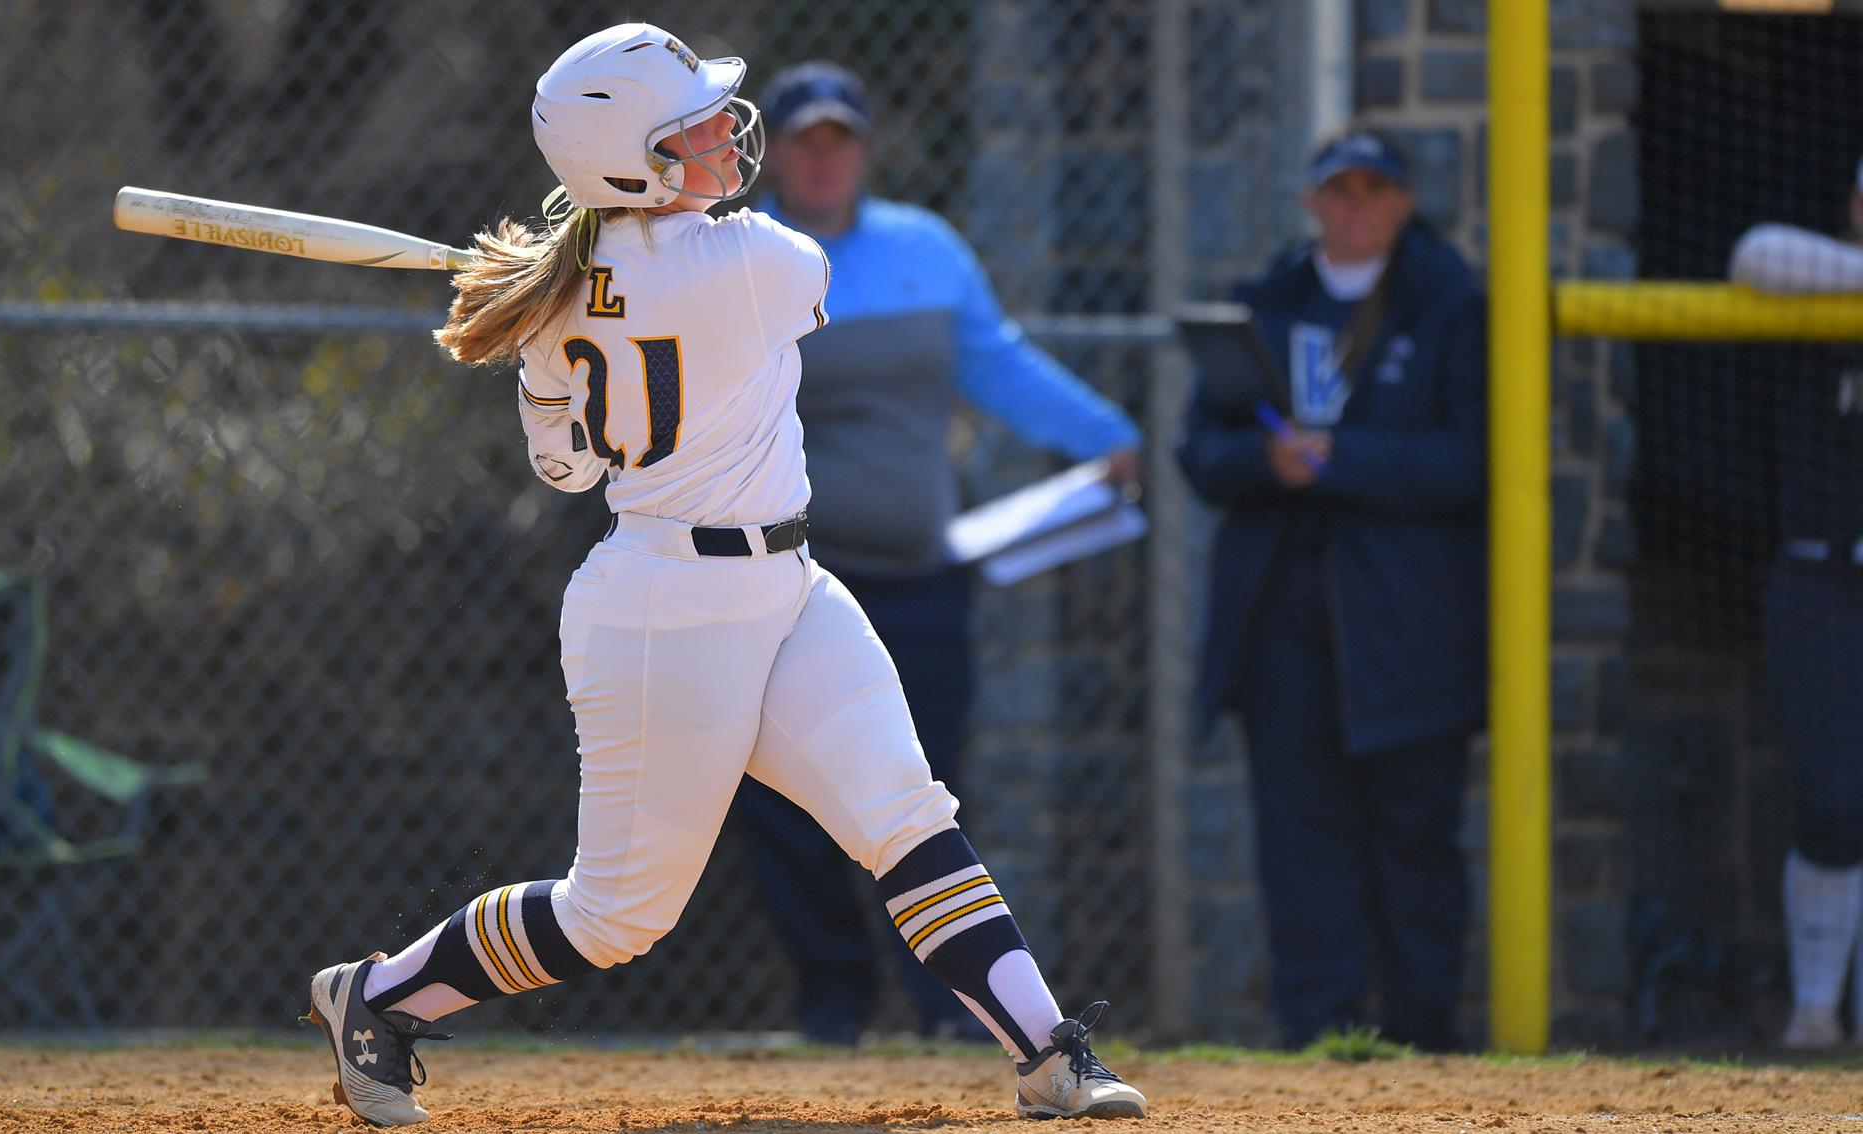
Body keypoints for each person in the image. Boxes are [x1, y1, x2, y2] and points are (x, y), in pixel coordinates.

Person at [301, 24, 1145, 1126]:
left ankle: (1047, 1054)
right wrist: (596, 285)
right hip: (667, 611)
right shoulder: (760, 260)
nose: (722, 138)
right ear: (630, 165)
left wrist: (567, 304)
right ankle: (376, 996)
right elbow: (790, 287)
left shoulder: (563, 305)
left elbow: (564, 469)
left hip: (787, 585)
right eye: (689, 130)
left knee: (904, 812)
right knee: (615, 916)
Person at [730, 60, 1142, 1047]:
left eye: (840, 140)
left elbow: (999, 365)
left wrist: (1105, 435)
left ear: (865, 150)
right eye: (804, 142)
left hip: (921, 581)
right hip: (783, 586)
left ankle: (942, 1010)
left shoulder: (926, 249)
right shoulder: (737, 260)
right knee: (782, 800)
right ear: (772, 155)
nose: (823, 159)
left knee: (917, 793)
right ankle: (832, 1007)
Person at [1176, 129, 1487, 1052]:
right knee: (1301, 845)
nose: (1356, 207)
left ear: (1403, 202)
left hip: (1411, 626)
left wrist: (1342, 460)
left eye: (1374, 190)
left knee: (1415, 841)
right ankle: (1318, 1041)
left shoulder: (1451, 303)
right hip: (1284, 625)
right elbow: (1201, 450)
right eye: (1338, 190)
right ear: (1311, 201)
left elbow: (1471, 462)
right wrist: (1266, 461)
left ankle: (1424, 1040)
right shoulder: (1264, 303)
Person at [1727, 158, 1863, 1050]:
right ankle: (1815, 1014)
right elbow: (1752, 256)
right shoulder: (1818, 275)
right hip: (1820, 579)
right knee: (1833, 801)